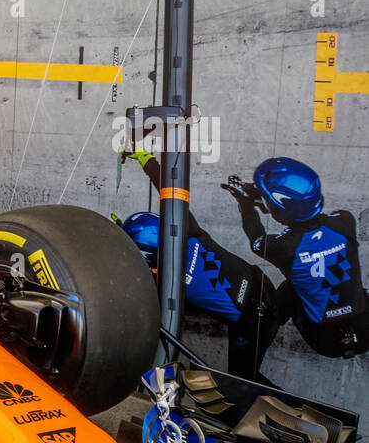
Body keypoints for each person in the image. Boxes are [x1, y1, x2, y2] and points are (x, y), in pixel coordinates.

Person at [123, 148, 284, 382]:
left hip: (253, 320)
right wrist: (147, 160)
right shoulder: (189, 230)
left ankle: (288, 412)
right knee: (244, 381)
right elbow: (169, 191)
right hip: (263, 286)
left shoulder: (168, 282)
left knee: (241, 386)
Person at [224, 157, 369, 359]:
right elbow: (318, 218)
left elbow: (256, 236)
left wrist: (245, 203)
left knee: (288, 290)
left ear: (280, 209)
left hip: (324, 340)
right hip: (364, 327)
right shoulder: (345, 222)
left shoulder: (282, 248)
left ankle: (256, 342)